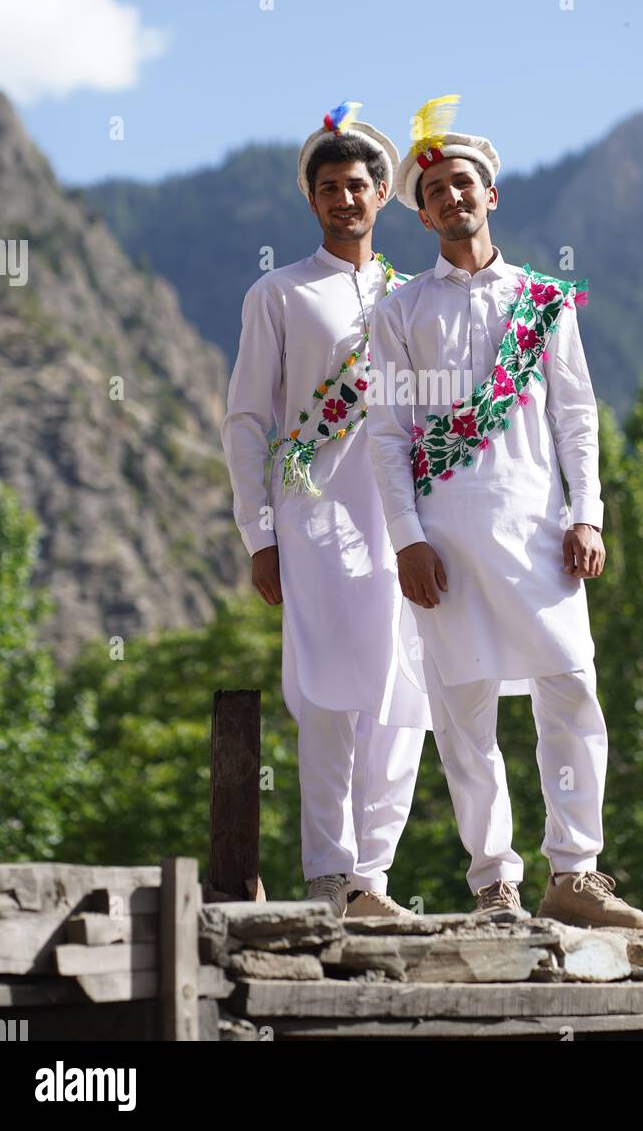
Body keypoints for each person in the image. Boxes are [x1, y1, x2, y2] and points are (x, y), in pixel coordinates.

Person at [365, 96, 643, 926]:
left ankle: (576, 872)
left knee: (570, 685)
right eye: (437, 191)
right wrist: (406, 539)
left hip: (538, 529)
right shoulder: (400, 312)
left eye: (466, 185)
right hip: (443, 542)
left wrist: (586, 514)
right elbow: (388, 435)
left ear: (493, 197)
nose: (454, 199)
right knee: (464, 712)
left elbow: (576, 417)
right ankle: (494, 881)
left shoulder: (546, 302)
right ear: (420, 213)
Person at [221, 102, 431, 918]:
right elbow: (248, 419)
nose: (345, 199)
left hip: (404, 522)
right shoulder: (278, 293)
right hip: (314, 520)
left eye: (358, 185)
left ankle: (374, 879)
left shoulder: (411, 298)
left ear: (383, 194)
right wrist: (258, 533)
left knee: (405, 693)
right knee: (332, 692)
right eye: (330, 187)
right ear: (311, 201)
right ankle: (329, 873)